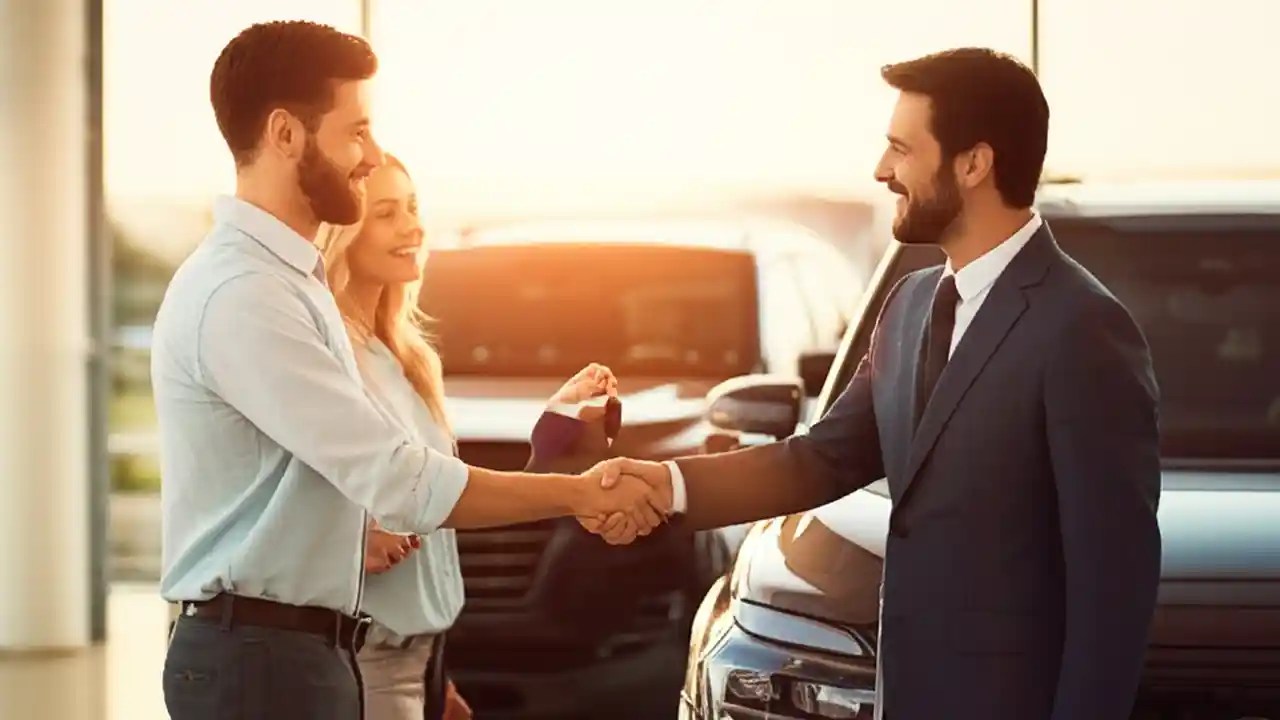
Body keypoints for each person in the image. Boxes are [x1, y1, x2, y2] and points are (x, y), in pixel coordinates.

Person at [588, 48, 1162, 720]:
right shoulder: (910, 304)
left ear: (974, 164)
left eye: (901, 149)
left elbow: (1113, 586)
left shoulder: (1081, 328)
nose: (881, 170)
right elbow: (824, 457)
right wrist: (667, 486)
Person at [153, 21, 664, 720]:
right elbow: (397, 480)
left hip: (300, 655)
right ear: (285, 133)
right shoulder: (245, 295)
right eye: (355, 131)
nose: (368, 156)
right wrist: (578, 495)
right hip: (263, 665)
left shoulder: (286, 283)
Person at [317, 155, 620, 720]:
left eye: (412, 208)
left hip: (420, 659)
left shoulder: (405, 357)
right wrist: (348, 533)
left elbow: (443, 503)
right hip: (364, 665)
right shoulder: (327, 358)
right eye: (386, 213)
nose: (412, 226)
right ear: (343, 233)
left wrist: (554, 434)